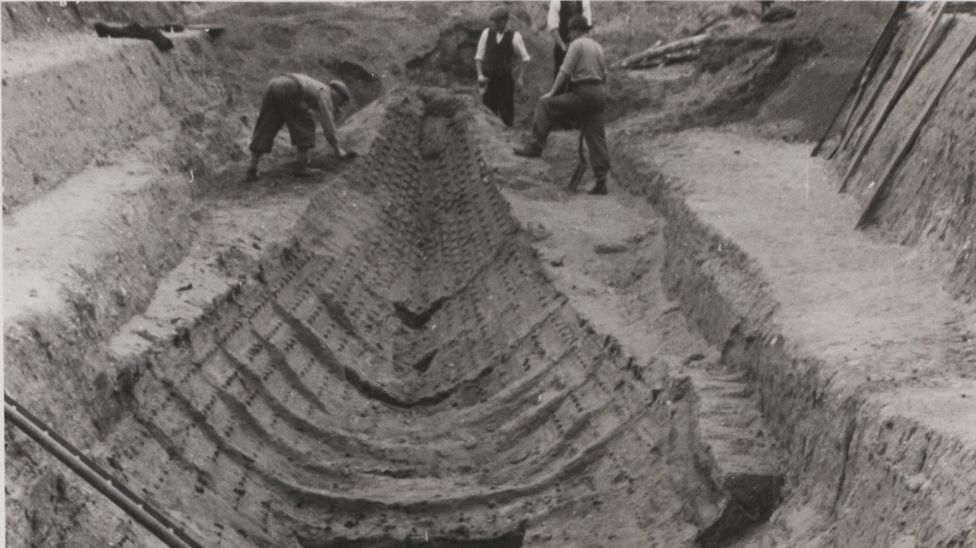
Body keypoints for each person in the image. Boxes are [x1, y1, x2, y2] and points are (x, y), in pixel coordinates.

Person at [513, 14, 610, 195]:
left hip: (583, 91)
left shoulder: (577, 45)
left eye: (571, 31)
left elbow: (564, 72)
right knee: (596, 136)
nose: (569, 35)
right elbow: (605, 76)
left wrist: (551, 93)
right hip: (599, 94)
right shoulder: (597, 46)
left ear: (576, 30)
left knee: (545, 105)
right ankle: (601, 181)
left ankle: (535, 145)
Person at [245, 74, 351, 182]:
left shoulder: (318, 88)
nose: (338, 106)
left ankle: (252, 168)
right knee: (306, 125)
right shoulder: (326, 94)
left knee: (267, 124)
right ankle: (301, 166)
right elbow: (328, 124)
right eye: (341, 102)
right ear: (337, 94)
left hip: (274, 84)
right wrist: (337, 149)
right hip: (290, 87)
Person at [475, 6, 531, 127]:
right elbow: (479, 57)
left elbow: (525, 58)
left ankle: (508, 140)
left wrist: (520, 77)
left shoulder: (515, 37)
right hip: (488, 80)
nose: (494, 24)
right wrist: (480, 75)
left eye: (497, 22)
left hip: (504, 81)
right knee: (488, 113)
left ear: (505, 21)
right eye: (493, 22)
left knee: (506, 113)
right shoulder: (486, 33)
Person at [547, 0, 592, 82]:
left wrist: (578, 45)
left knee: (579, 79)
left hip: (580, 47)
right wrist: (563, 46)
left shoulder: (585, 2)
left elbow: (587, 27)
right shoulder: (556, 2)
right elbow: (553, 27)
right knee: (560, 78)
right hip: (562, 46)